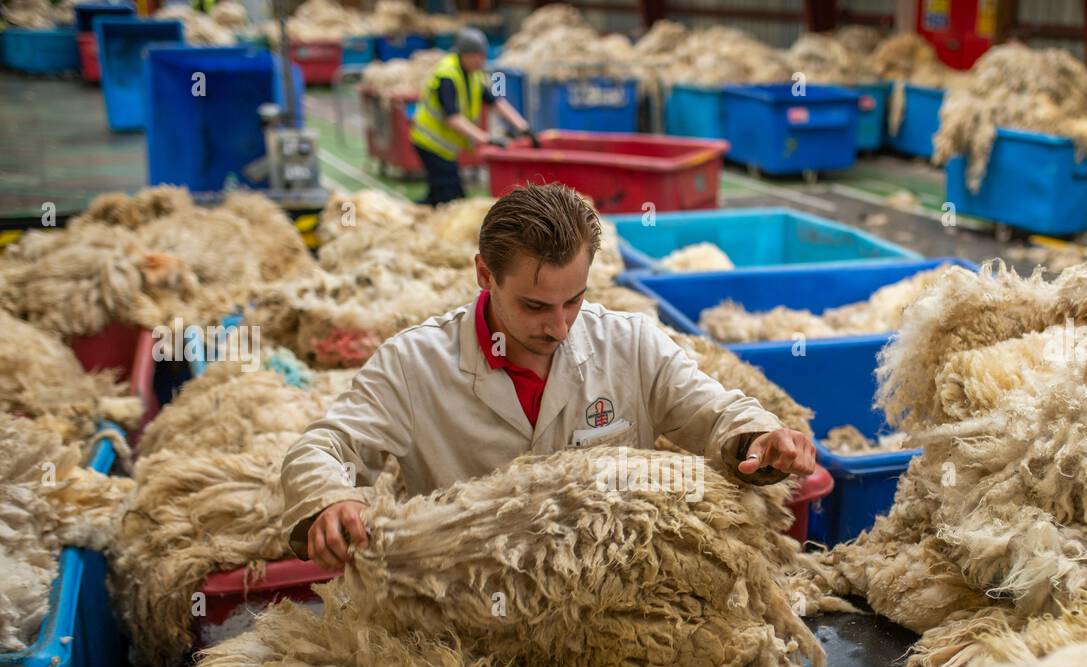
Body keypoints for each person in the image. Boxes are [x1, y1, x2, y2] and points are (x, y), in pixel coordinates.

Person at [281, 183, 817, 570]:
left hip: (612, 581)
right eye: (536, 305)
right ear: (485, 275)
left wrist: (759, 437)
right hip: (471, 592)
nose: (560, 326)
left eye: (575, 300)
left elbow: (716, 411)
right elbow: (325, 446)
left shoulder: (629, 343)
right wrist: (331, 498)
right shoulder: (414, 363)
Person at [409, 27, 529, 206]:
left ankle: (419, 212)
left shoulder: (475, 74)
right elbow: (453, 118)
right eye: (475, 56)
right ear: (463, 54)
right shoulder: (447, 75)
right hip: (430, 143)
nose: (480, 61)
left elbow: (495, 101)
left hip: (445, 147)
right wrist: (486, 138)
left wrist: (523, 127)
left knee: (440, 193)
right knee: (452, 198)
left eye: (482, 56)